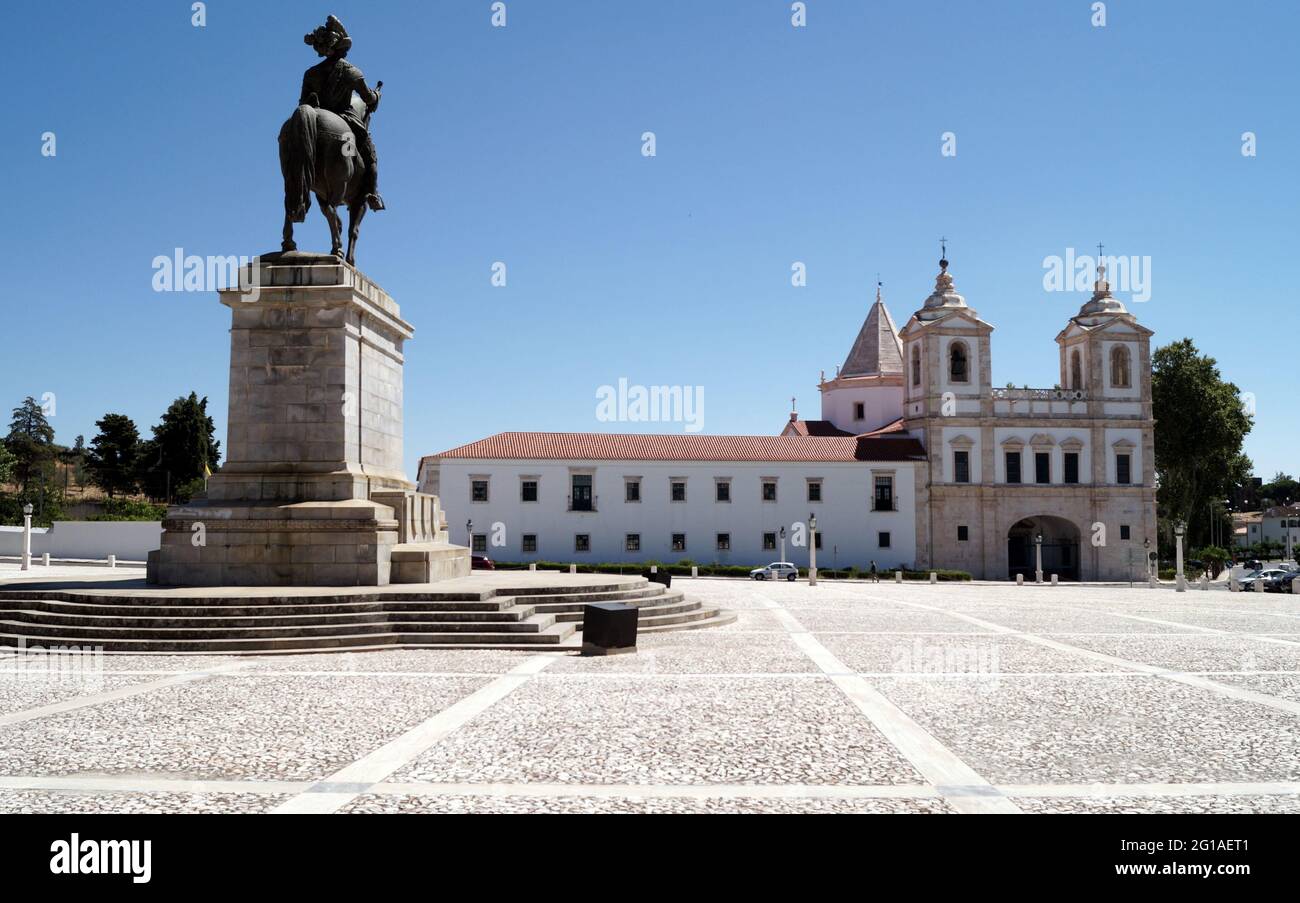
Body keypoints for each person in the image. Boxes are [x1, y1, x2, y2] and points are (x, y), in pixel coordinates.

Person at [300, 15, 386, 211]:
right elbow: (368, 99)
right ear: (340, 47)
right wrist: (377, 95)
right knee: (370, 154)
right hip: (346, 120)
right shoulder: (351, 71)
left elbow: (303, 103)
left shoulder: (310, 73)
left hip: (313, 119)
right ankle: (372, 193)